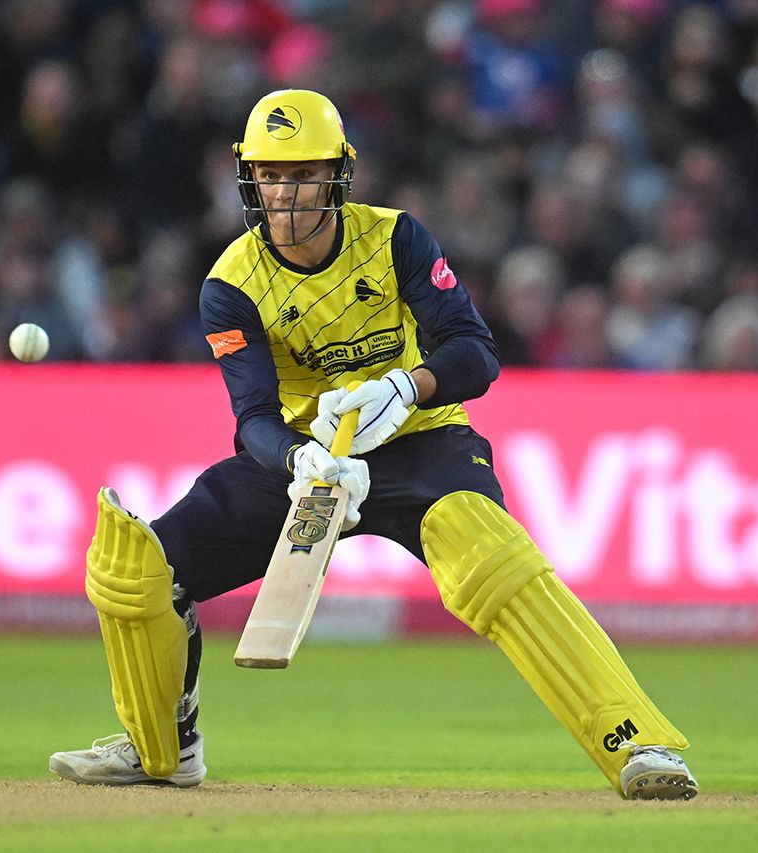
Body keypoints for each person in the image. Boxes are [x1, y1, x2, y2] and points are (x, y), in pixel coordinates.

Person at [48, 89, 697, 800]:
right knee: (136, 570)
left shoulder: (395, 239)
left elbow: (476, 354)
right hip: (309, 461)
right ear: (248, 179)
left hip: (419, 440)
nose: (286, 195)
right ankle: (160, 747)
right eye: (271, 175)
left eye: (303, 175)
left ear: (338, 176)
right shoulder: (231, 283)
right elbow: (253, 417)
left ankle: (637, 742)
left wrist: (407, 387)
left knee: (492, 560)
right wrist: (300, 459)